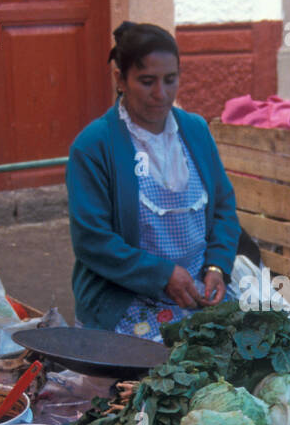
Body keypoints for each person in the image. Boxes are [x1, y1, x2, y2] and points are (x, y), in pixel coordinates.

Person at [66, 22, 240, 342]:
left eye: (170, 80)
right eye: (147, 82)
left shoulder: (195, 131)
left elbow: (224, 208)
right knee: (155, 376)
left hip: (197, 289)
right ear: (120, 80)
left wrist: (216, 267)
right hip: (126, 299)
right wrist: (162, 275)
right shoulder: (94, 146)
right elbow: (92, 240)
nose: (161, 94)